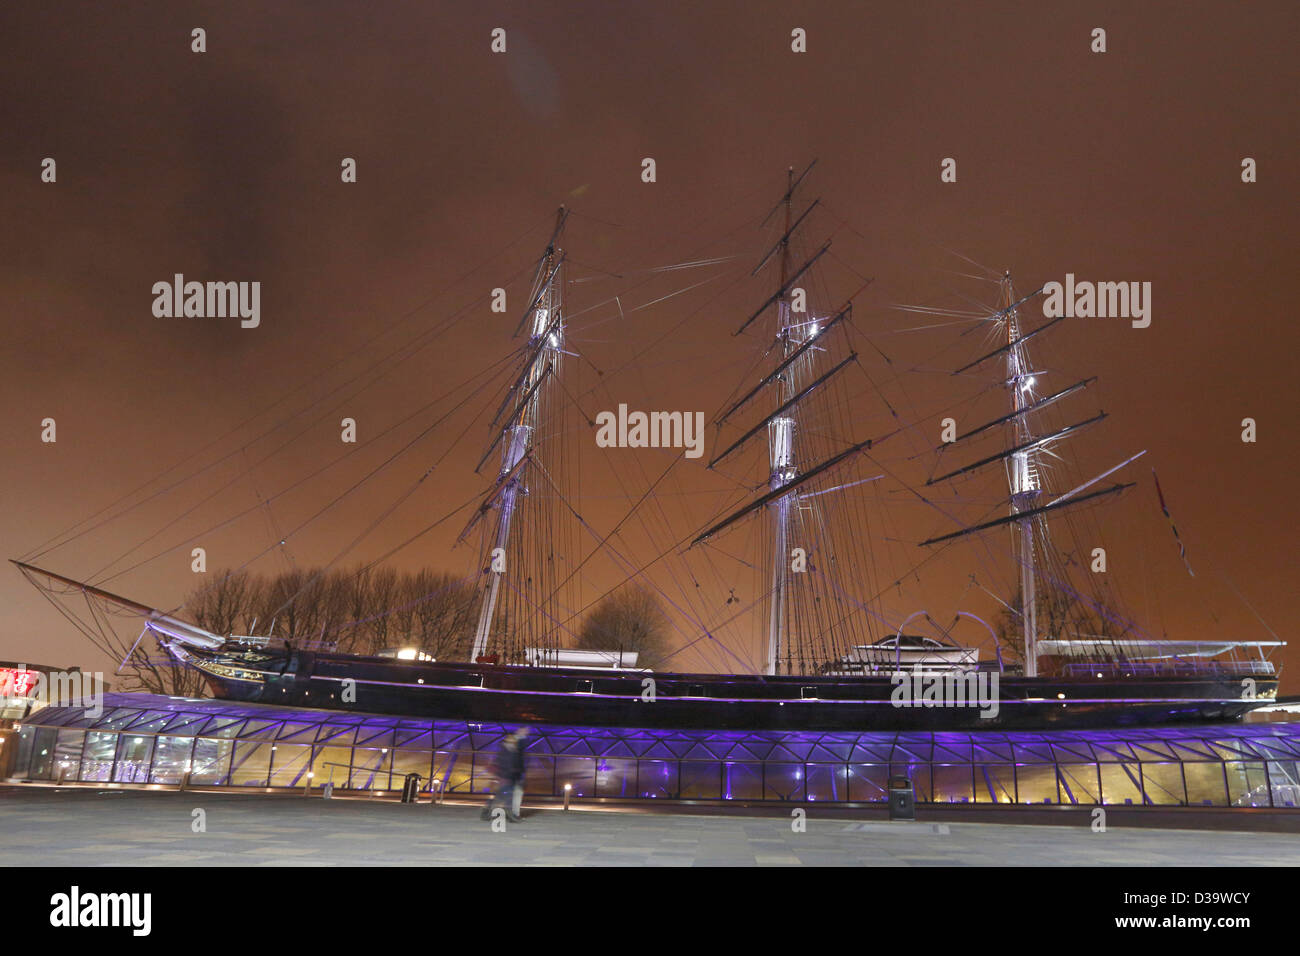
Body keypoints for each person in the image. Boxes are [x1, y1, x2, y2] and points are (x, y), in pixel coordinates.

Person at [481, 726, 531, 822]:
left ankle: (488, 812)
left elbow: (518, 761)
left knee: (504, 795)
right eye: (525, 730)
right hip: (506, 775)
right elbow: (505, 761)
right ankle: (510, 816)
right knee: (506, 796)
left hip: (512, 775)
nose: (527, 732)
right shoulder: (508, 746)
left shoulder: (516, 747)